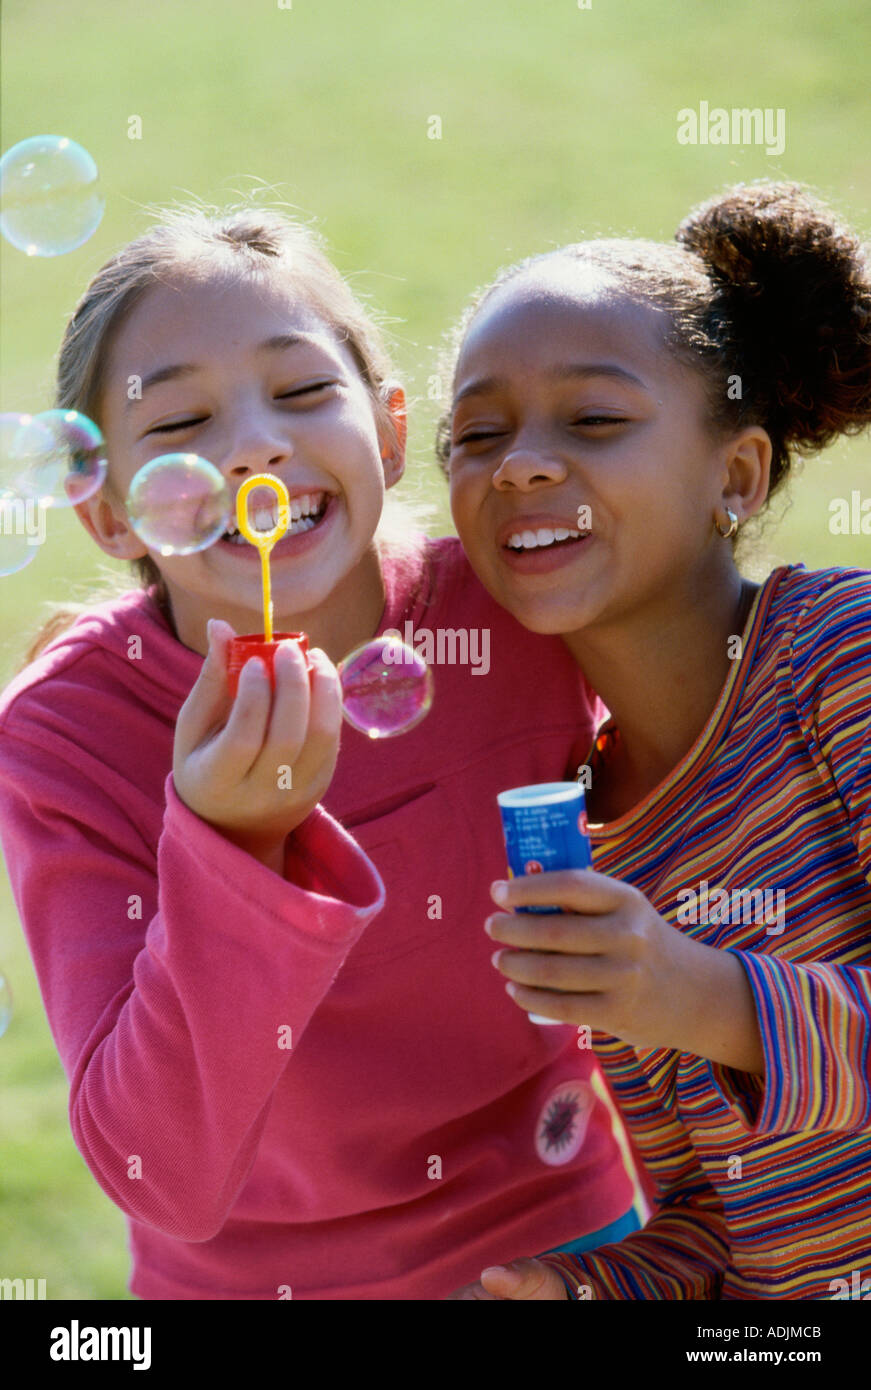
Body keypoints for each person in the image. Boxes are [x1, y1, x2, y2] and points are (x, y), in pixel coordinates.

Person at [0, 205, 648, 1300]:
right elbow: (160, 1171)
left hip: (559, 1236)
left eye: (301, 392)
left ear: (392, 433)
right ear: (108, 513)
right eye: (180, 421)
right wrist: (234, 848)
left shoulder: (518, 613)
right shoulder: (65, 738)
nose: (253, 445)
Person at [436, 181, 871, 1299]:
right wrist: (589, 1290)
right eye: (476, 435)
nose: (518, 464)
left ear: (735, 475)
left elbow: (700, 1005)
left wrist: (696, 993)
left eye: (592, 420)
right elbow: (717, 1221)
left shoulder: (839, 655)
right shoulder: (576, 834)